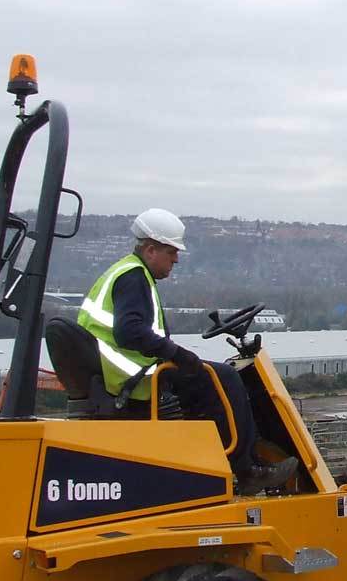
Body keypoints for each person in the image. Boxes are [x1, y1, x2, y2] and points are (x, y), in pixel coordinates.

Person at [77, 208, 297, 495]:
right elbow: (129, 331)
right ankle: (245, 470)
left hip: (119, 374)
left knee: (206, 378)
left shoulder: (124, 272)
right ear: (151, 249)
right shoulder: (134, 277)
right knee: (225, 378)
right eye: (171, 252)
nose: (176, 259)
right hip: (132, 380)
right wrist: (178, 355)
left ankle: (212, 460)